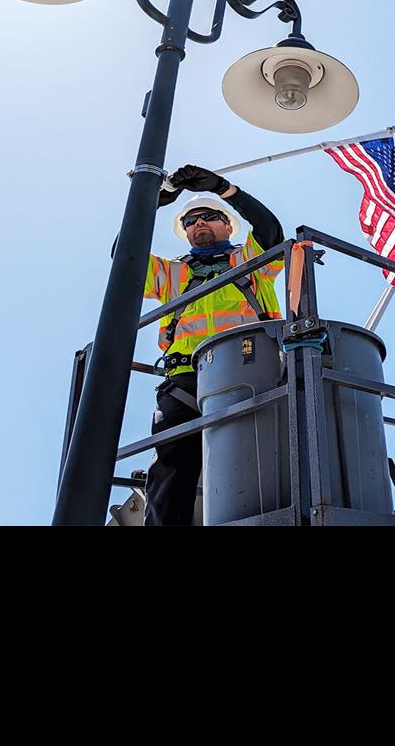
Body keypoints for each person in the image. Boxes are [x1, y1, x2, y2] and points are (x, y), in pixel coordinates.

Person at [142, 165, 286, 525]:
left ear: (227, 224)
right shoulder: (171, 273)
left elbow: (271, 232)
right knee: (171, 468)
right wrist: (151, 202)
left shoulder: (250, 262)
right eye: (190, 221)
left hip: (248, 373)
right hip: (185, 382)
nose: (198, 224)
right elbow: (125, 257)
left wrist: (226, 189)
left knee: (254, 462)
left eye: (208, 217)